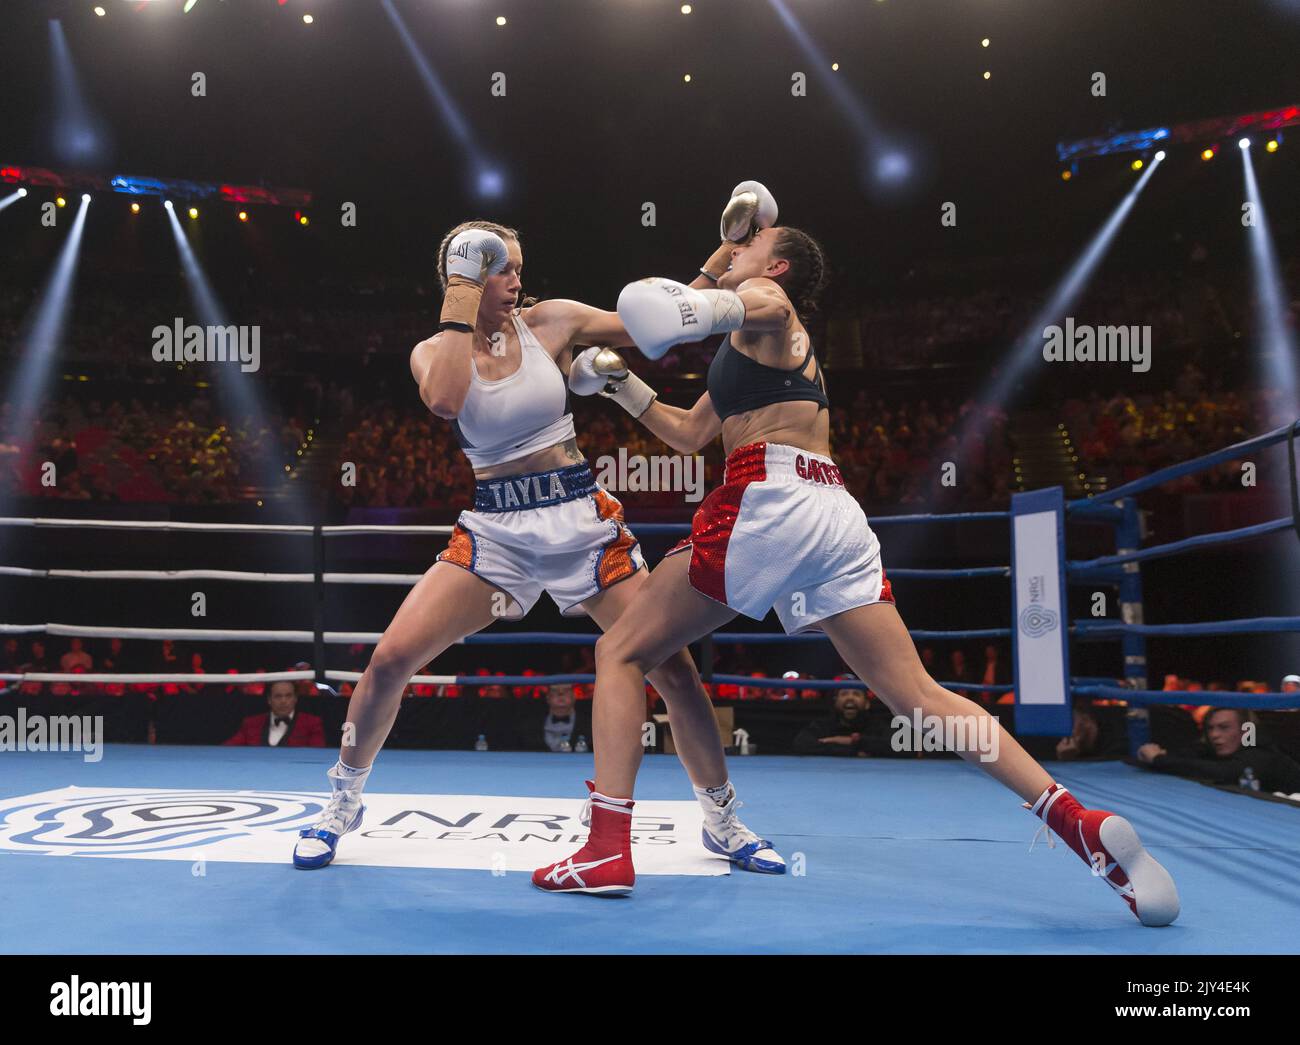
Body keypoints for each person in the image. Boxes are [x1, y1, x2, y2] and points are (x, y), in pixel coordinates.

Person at [534, 181, 1179, 926]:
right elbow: (686, 433)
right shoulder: (750, 357)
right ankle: (1078, 823)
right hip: (833, 516)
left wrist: (695, 299)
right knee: (921, 696)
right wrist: (620, 386)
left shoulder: (773, 314)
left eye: (753, 250)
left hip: (768, 501)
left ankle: (607, 847)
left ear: (775, 270)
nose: (739, 253)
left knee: (620, 651)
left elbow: (703, 306)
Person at [293, 220, 781, 877]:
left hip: (579, 518)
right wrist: (460, 297)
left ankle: (722, 817)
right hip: (497, 530)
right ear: (464, 277)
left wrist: (724, 248)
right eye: (499, 268)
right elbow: (442, 398)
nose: (517, 280)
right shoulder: (435, 352)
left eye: (519, 267)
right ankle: (341, 802)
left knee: (673, 668)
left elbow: (653, 324)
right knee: (389, 659)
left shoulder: (550, 320)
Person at [1136, 707, 1300, 794]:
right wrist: (1157, 756)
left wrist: (1159, 760)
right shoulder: (1216, 746)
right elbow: (1187, 756)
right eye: (1210, 728)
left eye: (1224, 728)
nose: (1214, 735)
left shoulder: (1261, 753)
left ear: (1245, 730)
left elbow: (1224, 772)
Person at [792, 680, 892, 757]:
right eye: (844, 694)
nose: (850, 698)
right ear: (835, 702)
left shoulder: (877, 726)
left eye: (856, 694)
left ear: (867, 704)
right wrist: (852, 751)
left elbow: (896, 747)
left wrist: (855, 741)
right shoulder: (824, 725)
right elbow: (801, 744)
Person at [225, 680, 325, 748]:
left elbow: (318, 756)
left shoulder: (311, 723)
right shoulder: (251, 723)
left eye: (288, 696)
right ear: (269, 700)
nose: (283, 701)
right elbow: (227, 750)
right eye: (278, 696)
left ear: (295, 699)